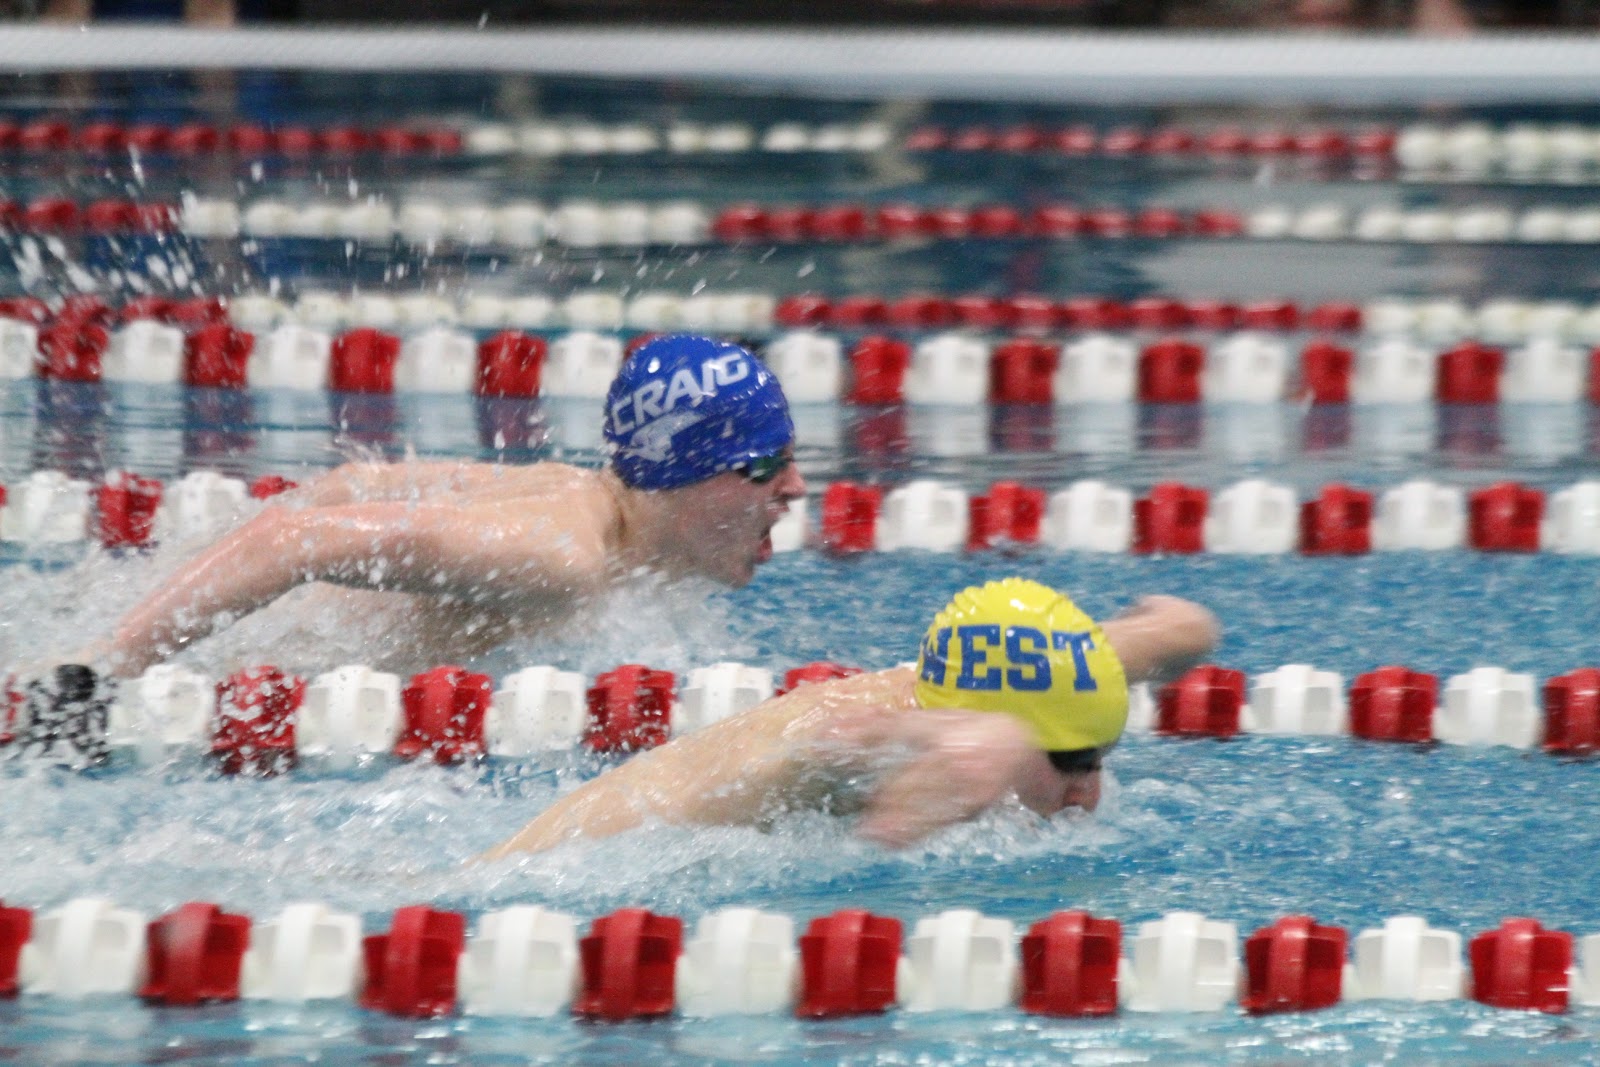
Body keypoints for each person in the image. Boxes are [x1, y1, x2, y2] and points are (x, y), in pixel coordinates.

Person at [94, 333, 805, 677]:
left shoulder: (578, 495)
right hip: (249, 666)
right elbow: (292, 538)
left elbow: (359, 486)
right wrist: (105, 670)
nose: (796, 487)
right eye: (764, 465)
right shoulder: (560, 557)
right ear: (683, 472)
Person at [484, 578, 1218, 858]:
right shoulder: (863, 745)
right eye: (1071, 762)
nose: (1089, 789)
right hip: (556, 860)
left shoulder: (1052, 678)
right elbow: (847, 760)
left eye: (1099, 756)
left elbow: (1184, 622)